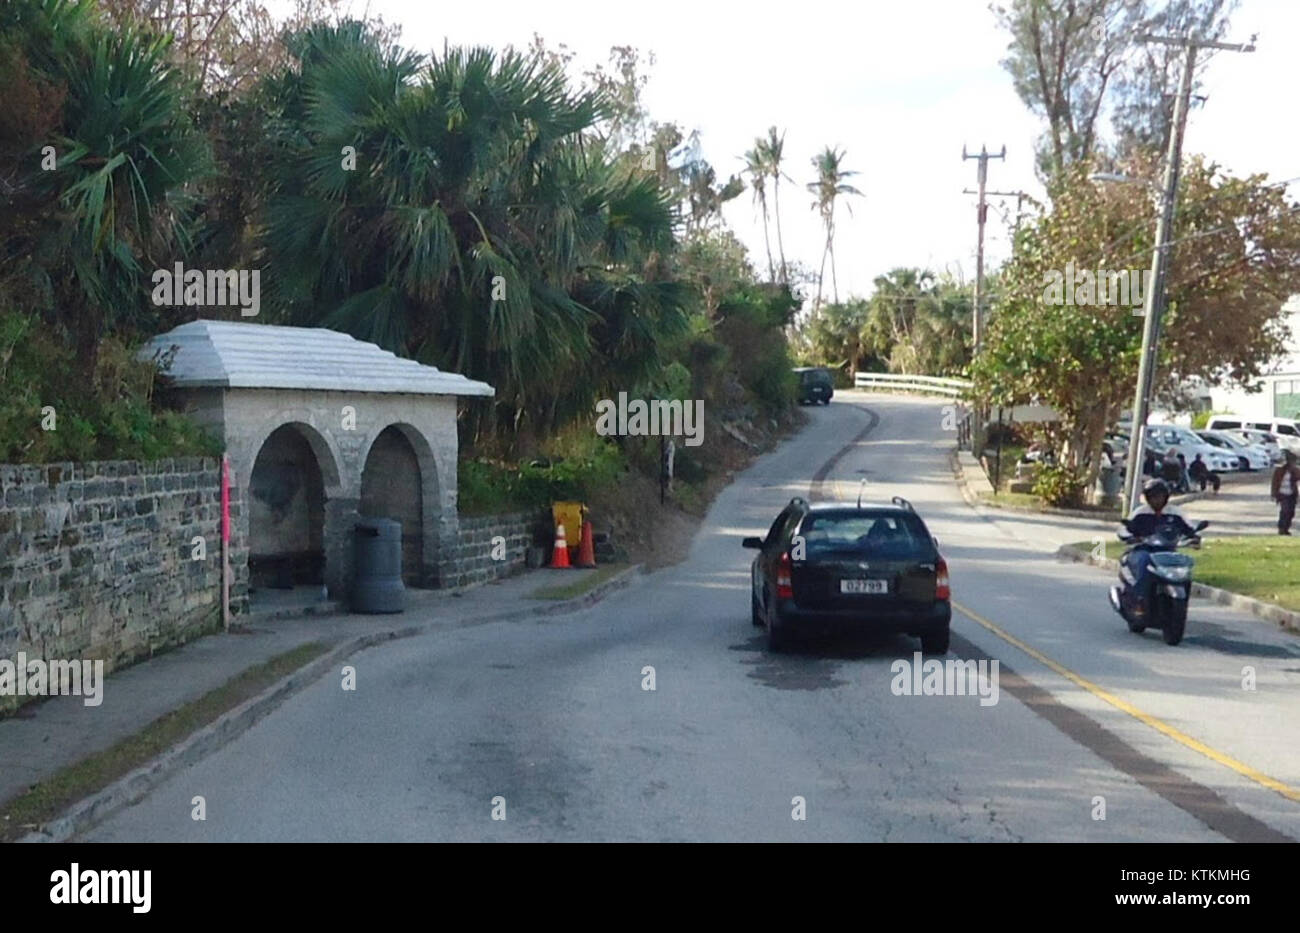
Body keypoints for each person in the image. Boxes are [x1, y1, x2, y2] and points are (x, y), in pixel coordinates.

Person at [1120, 479, 1200, 607]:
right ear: (1147, 498)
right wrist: (1131, 537)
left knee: (1184, 566)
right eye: (1153, 497)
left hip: (1167, 551)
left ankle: (1182, 603)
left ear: (1166, 497)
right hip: (1144, 550)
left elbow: (1190, 528)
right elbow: (1124, 530)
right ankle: (1139, 599)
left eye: (1160, 496)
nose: (1157, 500)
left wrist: (1195, 538)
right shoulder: (1141, 513)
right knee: (1143, 562)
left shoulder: (1175, 513)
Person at [1271, 450, 1300, 536]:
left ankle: (1286, 528)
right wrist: (1274, 494)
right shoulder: (1279, 470)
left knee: (1291, 512)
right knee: (1285, 511)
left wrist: (1294, 470)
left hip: (1292, 494)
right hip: (1282, 494)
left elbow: (1298, 478)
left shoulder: (1294, 470)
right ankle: (1281, 528)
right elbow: (1275, 482)